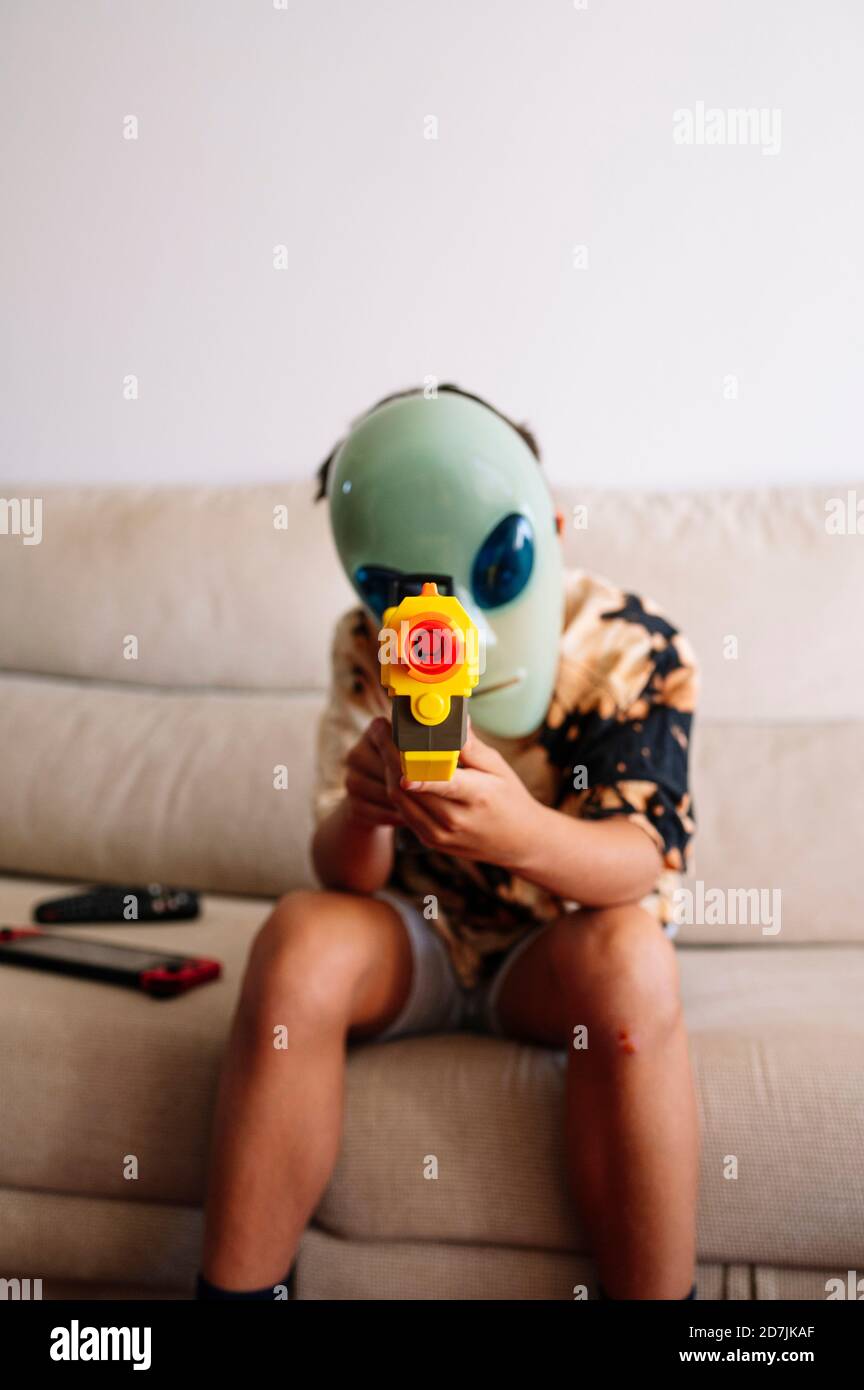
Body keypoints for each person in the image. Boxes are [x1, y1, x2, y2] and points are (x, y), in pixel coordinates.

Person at [198, 385, 700, 1301]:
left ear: (550, 528)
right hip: (415, 935)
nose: (446, 623)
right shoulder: (366, 647)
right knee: (299, 936)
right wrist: (363, 809)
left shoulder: (632, 648)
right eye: (398, 592)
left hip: (557, 952)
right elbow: (342, 877)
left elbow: (644, 854)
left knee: (635, 960)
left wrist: (524, 836)